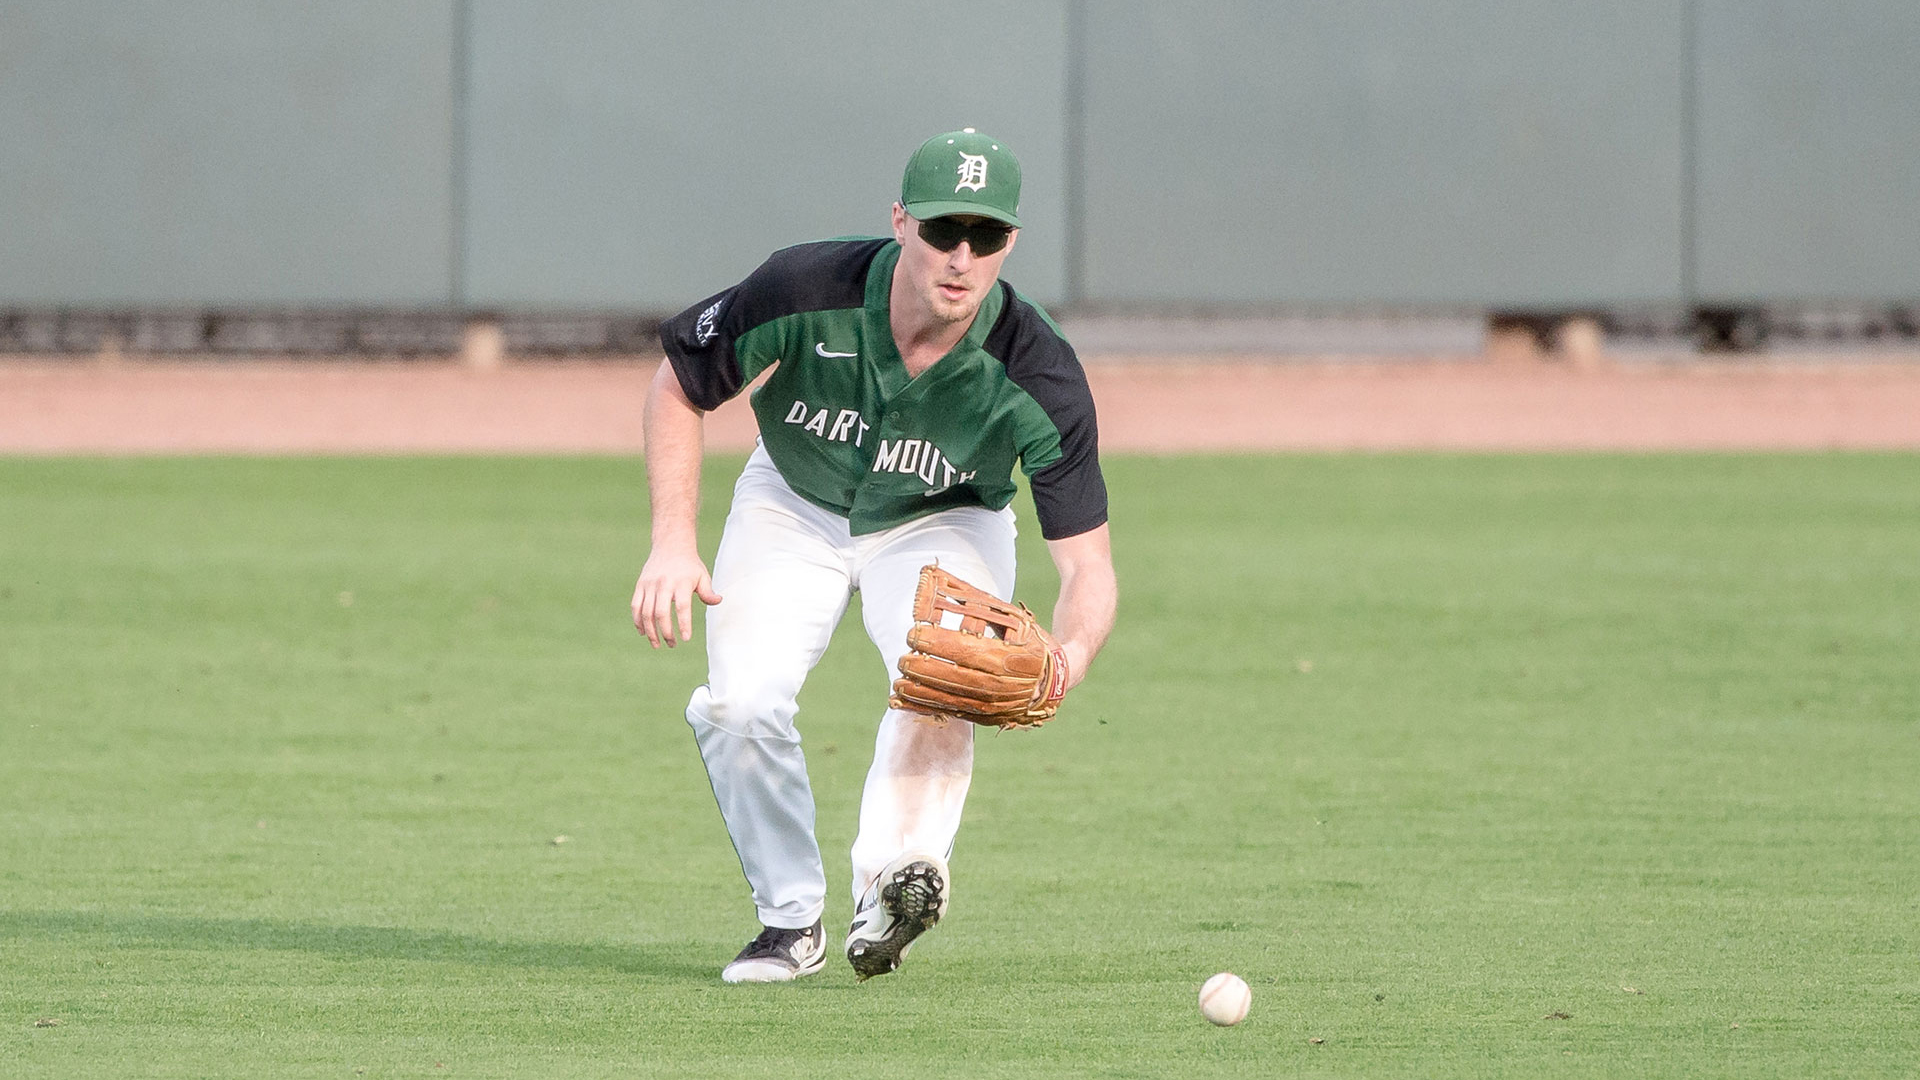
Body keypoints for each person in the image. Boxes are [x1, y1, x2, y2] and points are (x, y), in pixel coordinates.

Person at [631, 128, 1117, 983]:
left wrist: (1067, 660)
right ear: (900, 222)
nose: (961, 257)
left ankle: (894, 884)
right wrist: (673, 539)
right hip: (793, 499)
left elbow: (1087, 566)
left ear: (1011, 243)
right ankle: (789, 924)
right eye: (942, 231)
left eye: (987, 236)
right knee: (740, 705)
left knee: (947, 675)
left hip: (946, 520)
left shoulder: (1040, 374)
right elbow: (680, 383)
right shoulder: (803, 287)